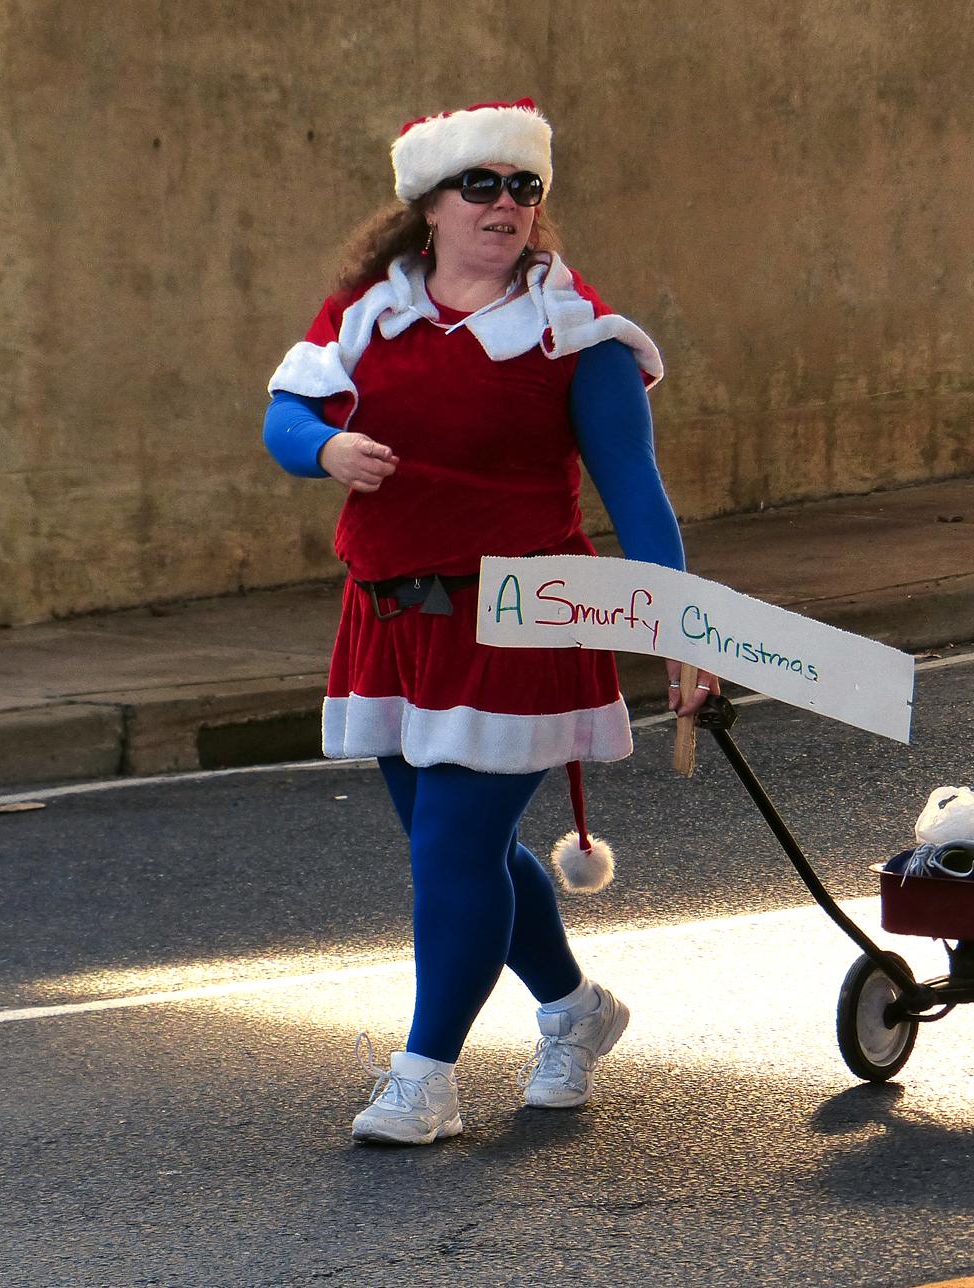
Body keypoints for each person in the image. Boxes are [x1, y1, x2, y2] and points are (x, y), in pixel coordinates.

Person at [262, 98, 717, 1146]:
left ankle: (426, 1074)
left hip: (524, 623)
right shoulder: (366, 312)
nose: (507, 204)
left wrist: (687, 635)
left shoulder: (575, 333)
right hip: (388, 619)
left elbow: (636, 496)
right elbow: (286, 414)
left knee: (453, 851)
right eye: (484, 185)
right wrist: (325, 452)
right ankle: (576, 1009)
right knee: (456, 844)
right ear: (428, 204)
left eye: (526, 187)